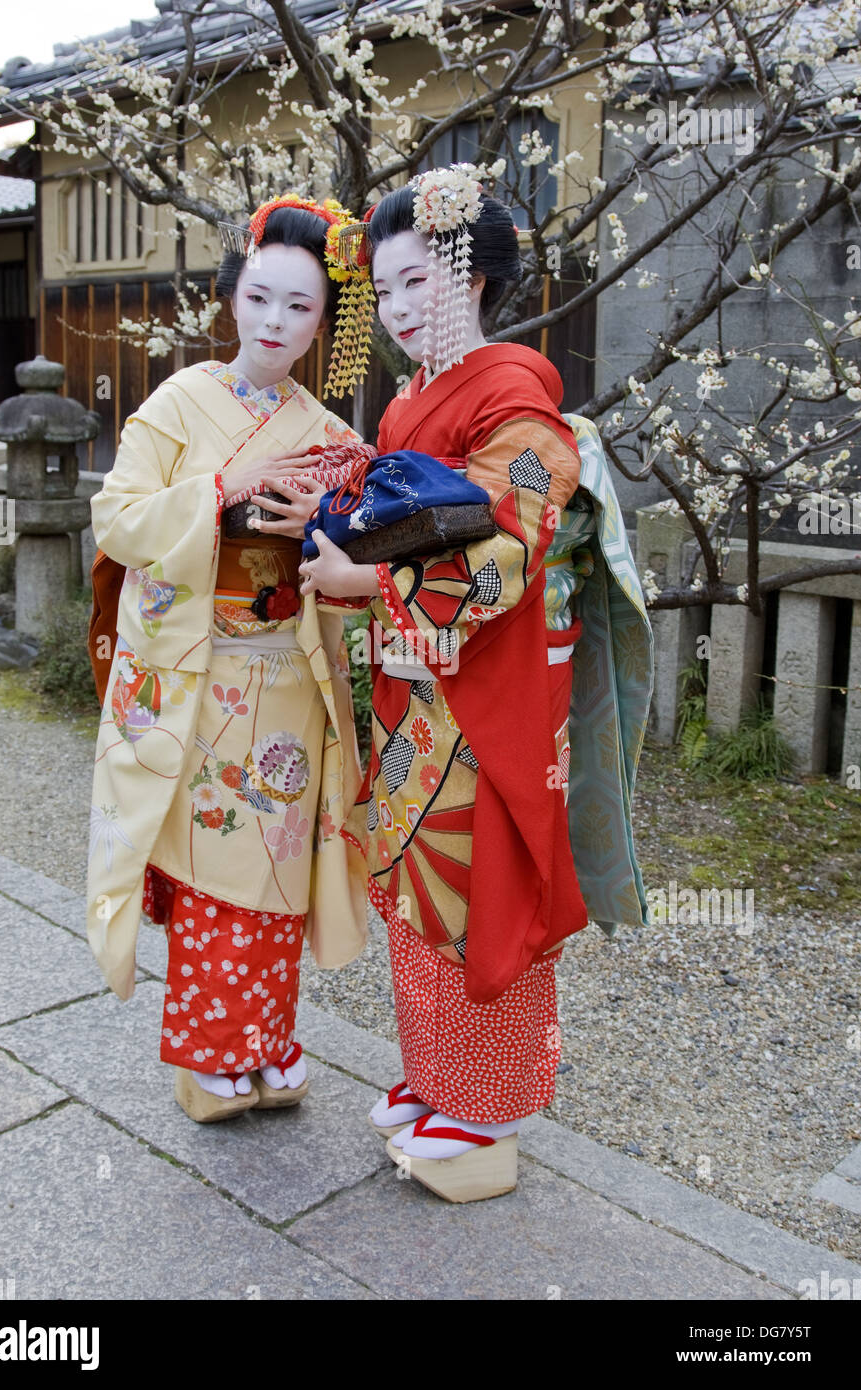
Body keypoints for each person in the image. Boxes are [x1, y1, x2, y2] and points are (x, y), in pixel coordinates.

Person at [299, 166, 653, 1200]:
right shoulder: (411, 401)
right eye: (390, 289)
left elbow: (512, 536)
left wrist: (364, 573)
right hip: (418, 689)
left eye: (423, 282)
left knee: (478, 884)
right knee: (413, 884)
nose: (404, 308)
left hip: (487, 694)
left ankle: (485, 1117)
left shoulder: (516, 397)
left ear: (474, 277)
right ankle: (435, 1078)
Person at [86, 194, 374, 1122]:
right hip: (202, 671)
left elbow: (354, 559)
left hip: (288, 674)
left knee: (278, 866)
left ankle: (272, 1040)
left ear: (325, 321)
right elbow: (119, 520)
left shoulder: (331, 435)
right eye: (260, 299)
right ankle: (213, 1052)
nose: (275, 323)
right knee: (219, 863)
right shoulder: (179, 403)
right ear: (232, 299)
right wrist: (223, 489)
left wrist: (333, 526)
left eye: (300, 307)